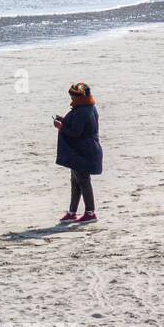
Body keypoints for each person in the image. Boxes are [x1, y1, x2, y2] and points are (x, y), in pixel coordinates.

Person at [54, 82, 102, 224]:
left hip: (84, 151)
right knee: (76, 181)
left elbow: (75, 132)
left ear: (80, 96)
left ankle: (90, 213)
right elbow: (79, 126)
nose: (71, 98)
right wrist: (65, 120)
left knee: (83, 181)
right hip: (84, 149)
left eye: (73, 96)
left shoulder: (83, 110)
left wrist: (61, 127)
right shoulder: (88, 107)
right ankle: (72, 212)